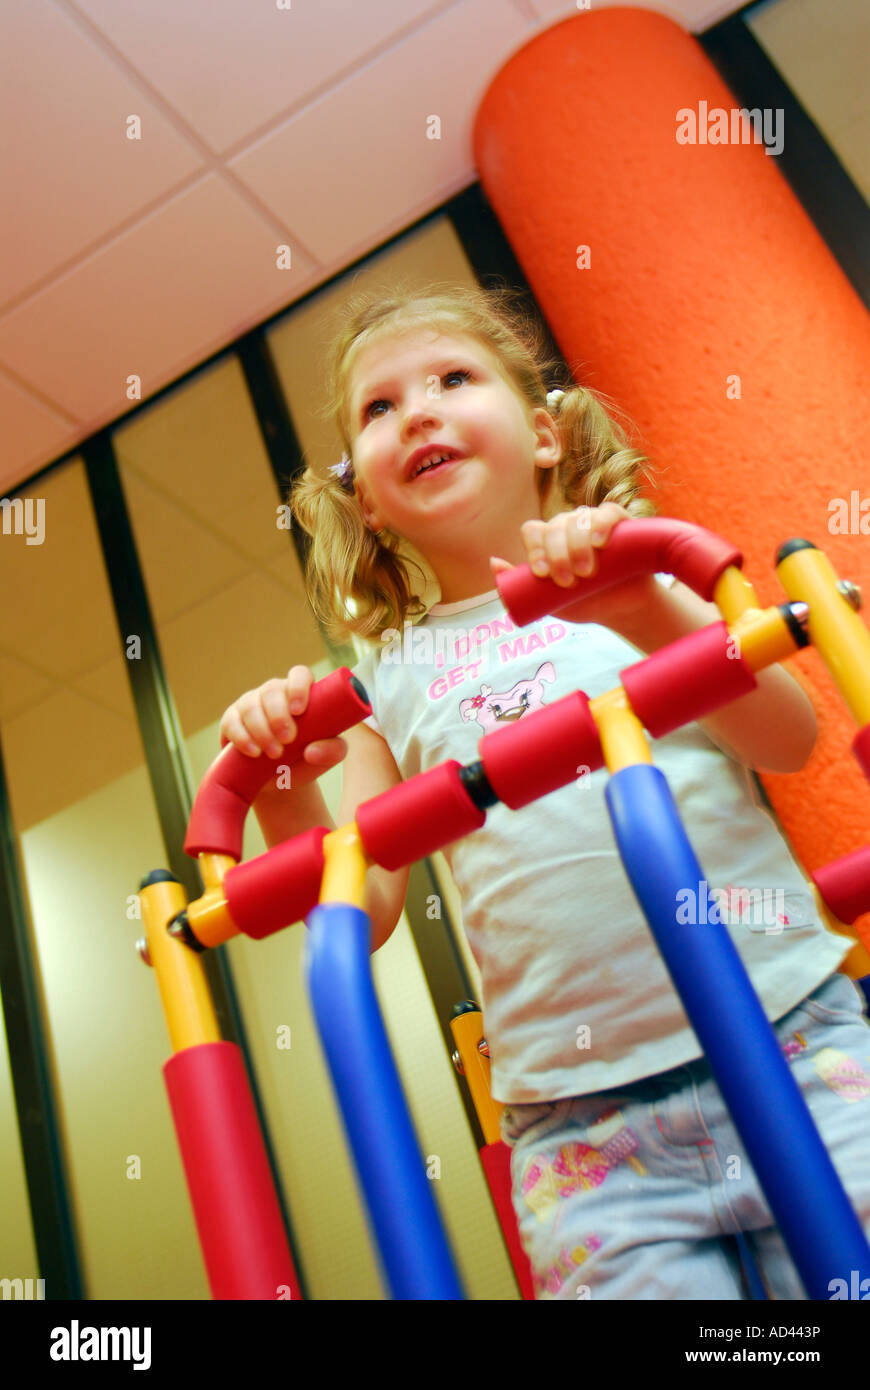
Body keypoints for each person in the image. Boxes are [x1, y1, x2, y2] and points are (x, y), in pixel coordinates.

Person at [220, 281, 870, 1300]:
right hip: (581, 1129)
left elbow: (787, 739)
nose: (418, 411)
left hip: (791, 1036)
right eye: (379, 409)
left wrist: (641, 614)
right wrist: (285, 791)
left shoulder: (644, 560)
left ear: (542, 436)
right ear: (365, 500)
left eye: (450, 379)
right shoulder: (384, 674)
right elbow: (369, 901)